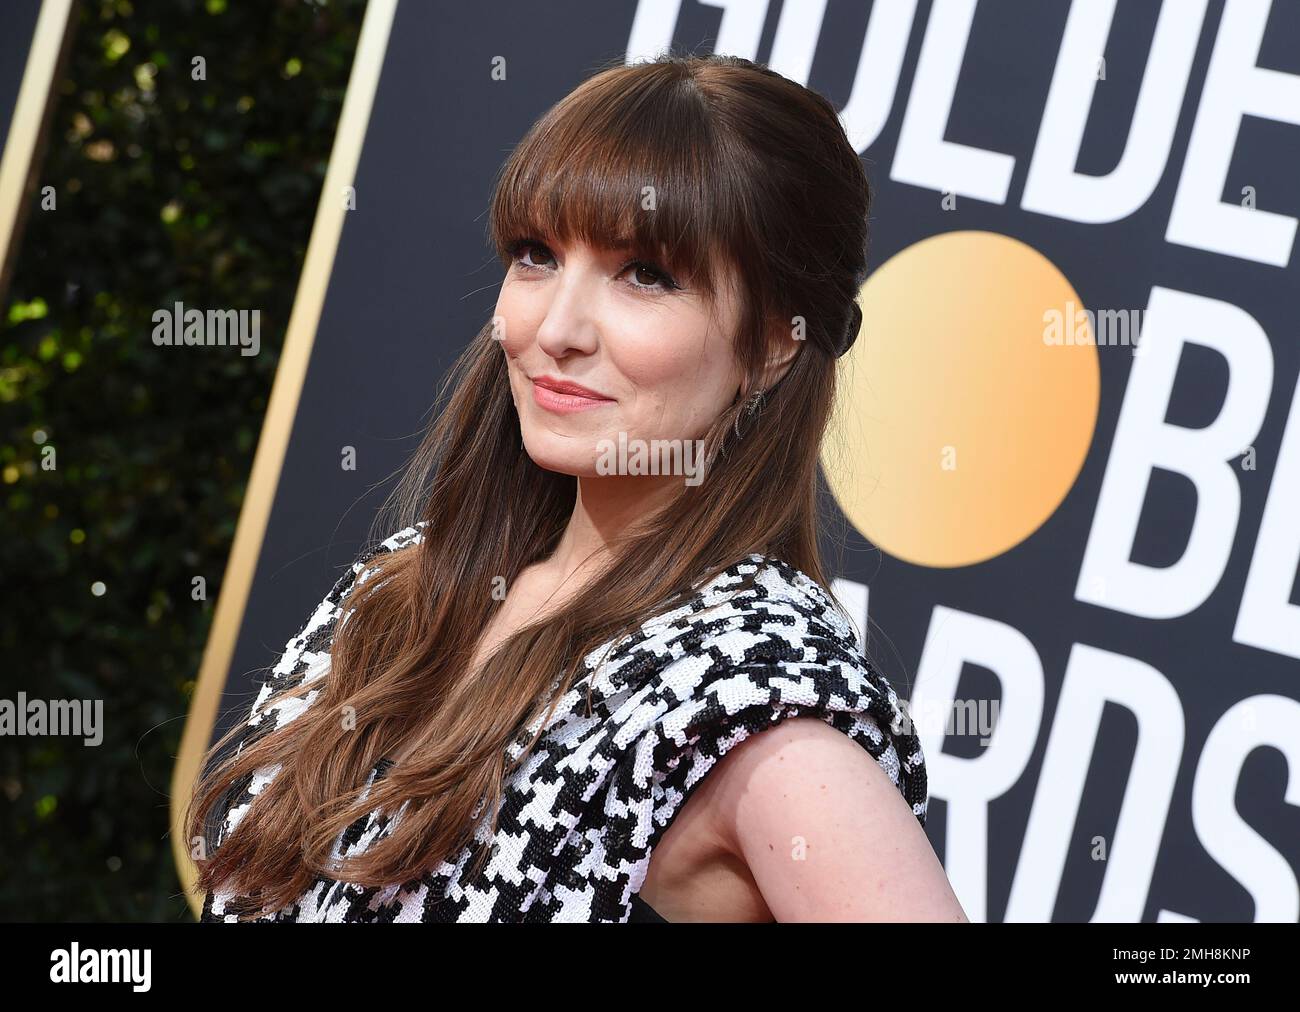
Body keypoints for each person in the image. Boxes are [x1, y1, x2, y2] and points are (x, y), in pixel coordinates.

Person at [185, 51, 968, 924]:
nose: (555, 329)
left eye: (647, 275)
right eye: (536, 255)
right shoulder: (401, 587)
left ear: (775, 342)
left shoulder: (740, 700)